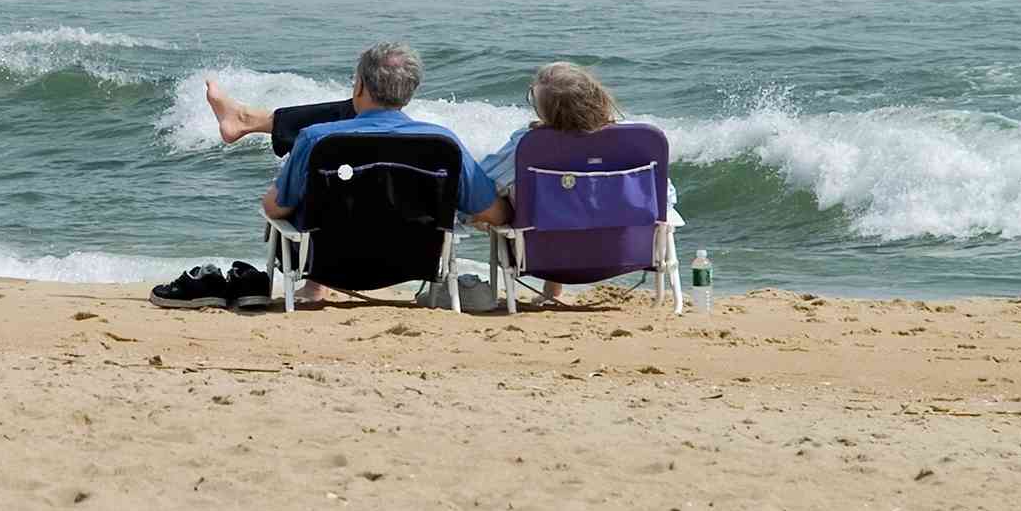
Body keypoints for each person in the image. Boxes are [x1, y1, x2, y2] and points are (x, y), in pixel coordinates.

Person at [152, 42, 507, 309]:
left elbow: (275, 208)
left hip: (331, 264)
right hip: (413, 265)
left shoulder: (316, 139)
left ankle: (314, 285)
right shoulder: (444, 143)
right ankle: (244, 119)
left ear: (358, 87)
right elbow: (493, 213)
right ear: (411, 92)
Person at [474, 61, 683, 304]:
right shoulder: (637, 139)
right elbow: (665, 196)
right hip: (626, 256)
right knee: (592, 201)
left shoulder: (529, 144)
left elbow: (482, 182)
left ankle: (552, 282)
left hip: (546, 260)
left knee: (532, 199)